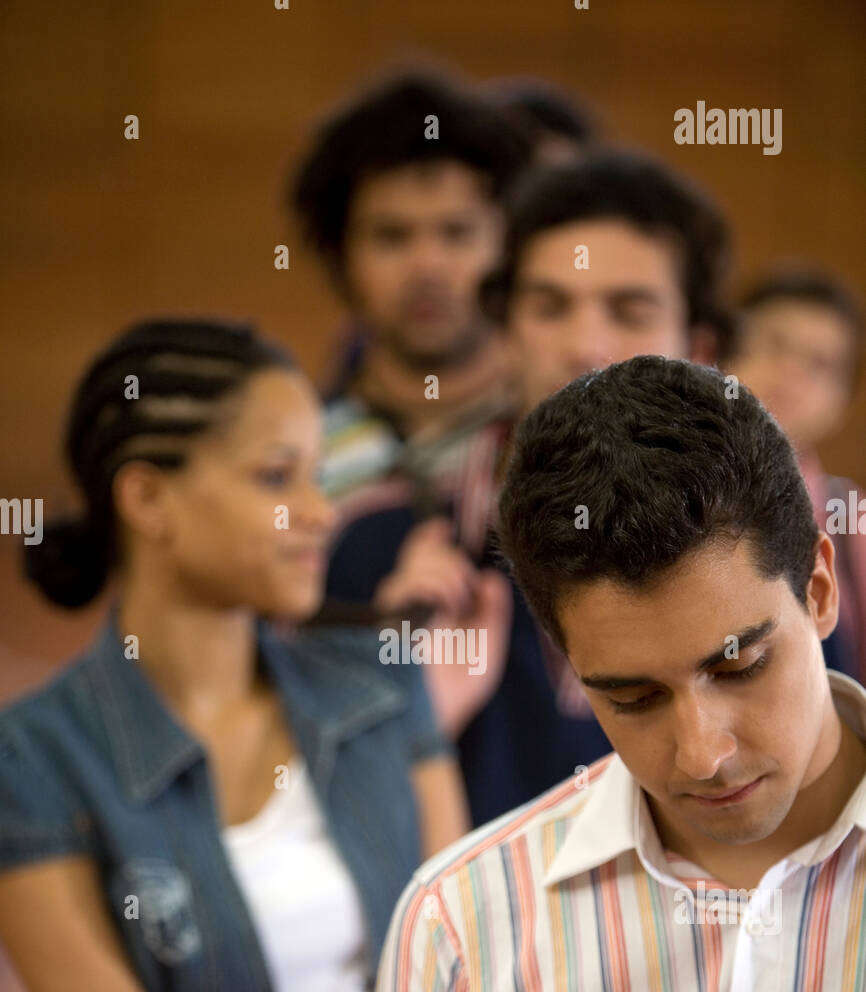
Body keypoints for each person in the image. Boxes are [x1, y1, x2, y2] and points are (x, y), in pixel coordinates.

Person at [339, 355, 866, 992]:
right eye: (631, 696)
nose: (702, 751)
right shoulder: (464, 920)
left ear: (820, 589)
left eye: (740, 665)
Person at [0, 317, 468, 992]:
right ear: (147, 497)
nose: (319, 510)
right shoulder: (36, 750)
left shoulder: (380, 687)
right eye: (275, 476)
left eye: (317, 476)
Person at [323, 151, 734, 825]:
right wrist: (393, 689)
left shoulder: (770, 552)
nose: (585, 345)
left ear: (699, 344)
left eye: (628, 311)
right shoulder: (377, 545)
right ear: (505, 332)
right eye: (549, 307)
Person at [288, 66, 532, 482]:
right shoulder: (296, 456)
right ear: (340, 254)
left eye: (457, 233)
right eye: (391, 236)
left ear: (512, 244)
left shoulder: (564, 448)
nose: (427, 267)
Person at [727, 265, 866, 683]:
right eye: (774, 343)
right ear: (722, 350)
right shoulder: (666, 485)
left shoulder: (852, 516)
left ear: (843, 401)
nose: (792, 372)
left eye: (820, 364)